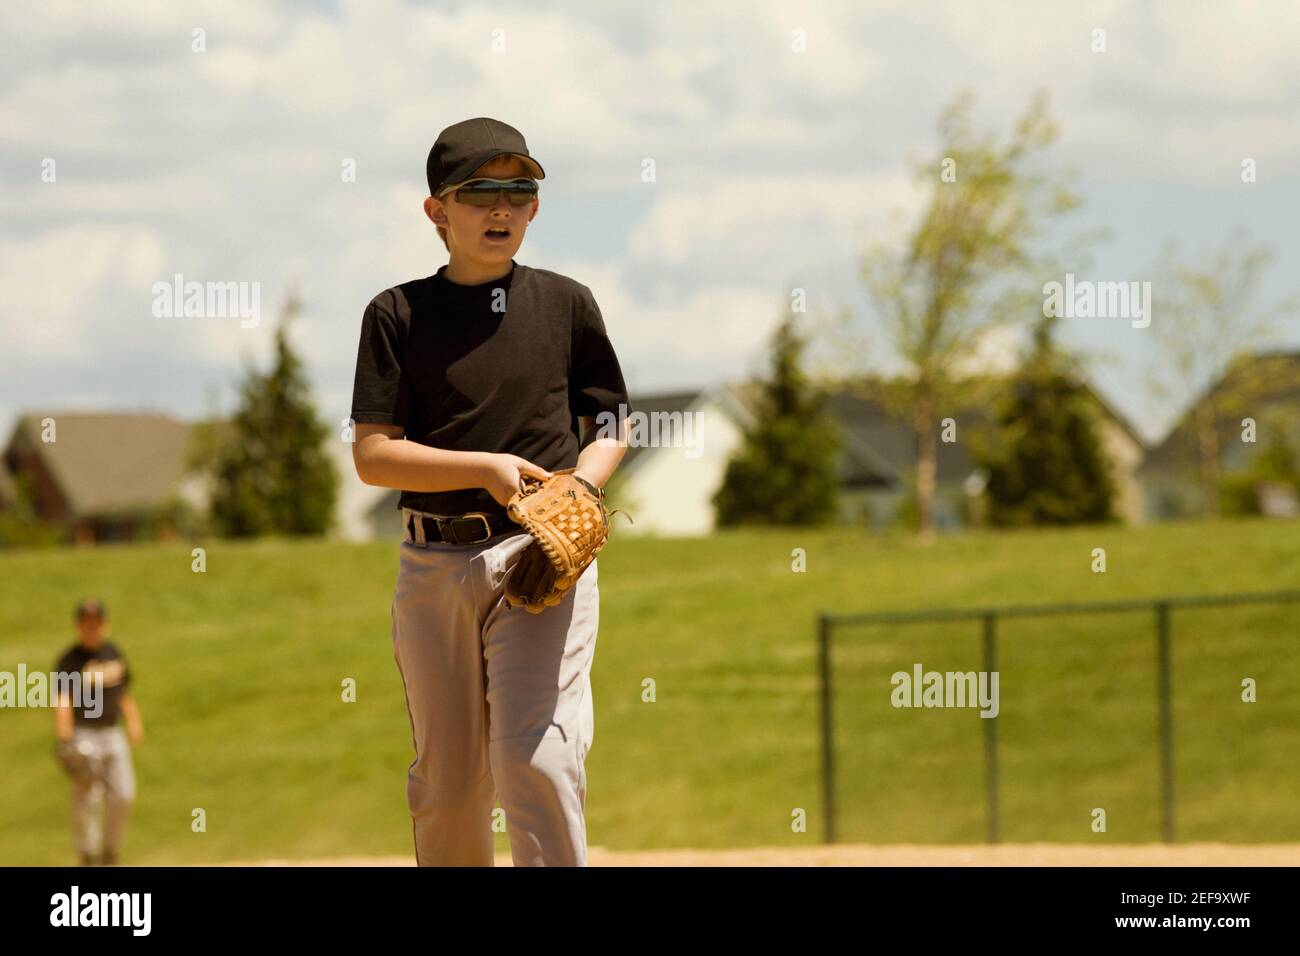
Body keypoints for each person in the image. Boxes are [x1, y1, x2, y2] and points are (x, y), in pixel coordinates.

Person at [350, 117, 630, 866]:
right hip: (432, 565)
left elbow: (609, 424)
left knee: (534, 760)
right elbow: (375, 457)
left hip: (537, 556)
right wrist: (484, 467)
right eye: (479, 191)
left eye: (519, 189)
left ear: (535, 206)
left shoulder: (566, 304)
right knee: (448, 786)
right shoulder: (397, 315)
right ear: (437, 210)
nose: (501, 207)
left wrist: (581, 491)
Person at [53, 598, 143, 866]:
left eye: (96, 623)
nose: (91, 628)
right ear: (78, 626)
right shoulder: (69, 660)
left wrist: (134, 721)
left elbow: (122, 691)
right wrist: (65, 739)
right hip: (84, 734)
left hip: (112, 732)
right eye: (86, 623)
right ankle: (88, 855)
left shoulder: (113, 652)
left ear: (105, 625)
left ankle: (110, 853)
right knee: (88, 798)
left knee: (124, 794)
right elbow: (62, 701)